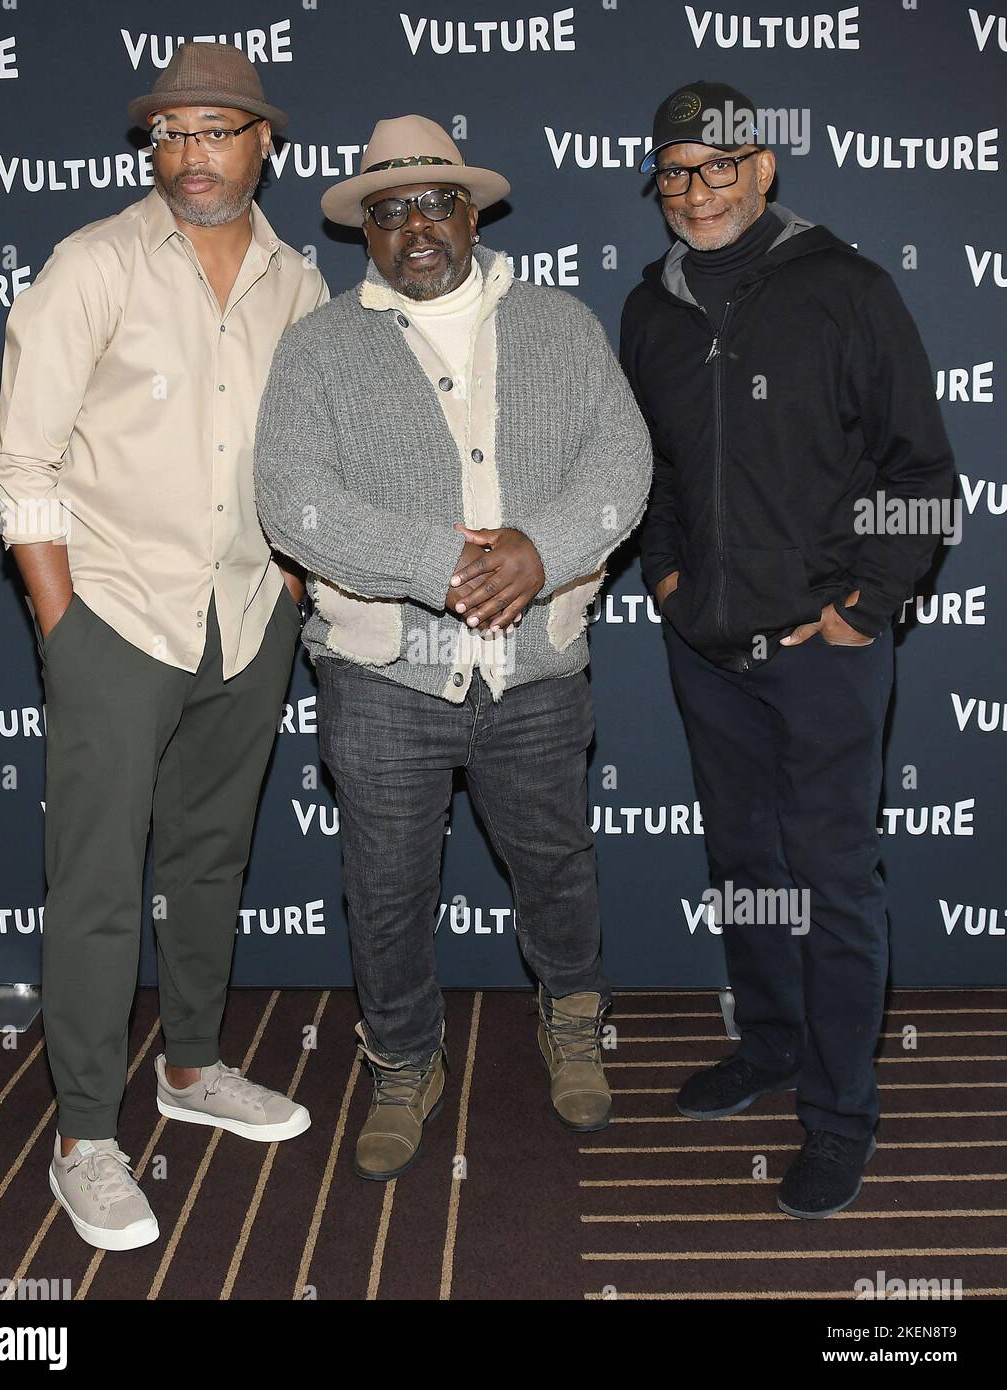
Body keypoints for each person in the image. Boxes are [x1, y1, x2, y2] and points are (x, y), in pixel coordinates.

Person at [254, 115, 652, 1181]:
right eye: (387, 211)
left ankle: (571, 1019)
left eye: (433, 203)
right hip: (382, 671)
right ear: (364, 235)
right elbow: (290, 501)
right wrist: (444, 563)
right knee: (381, 884)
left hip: (535, 664)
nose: (413, 226)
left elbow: (622, 457)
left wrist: (542, 550)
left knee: (556, 868)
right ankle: (400, 1060)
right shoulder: (319, 347)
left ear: (470, 213)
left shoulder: (560, 325)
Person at [0, 42, 328, 1250]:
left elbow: (301, 451)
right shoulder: (91, 262)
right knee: (93, 887)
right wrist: (60, 617)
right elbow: (22, 457)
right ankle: (85, 1132)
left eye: (217, 129)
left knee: (209, 864)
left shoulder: (300, 284)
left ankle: (191, 1069)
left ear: (264, 144)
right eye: (171, 131)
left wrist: (289, 577)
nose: (191, 154)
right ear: (153, 146)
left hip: (245, 619)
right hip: (116, 618)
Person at [620, 81, 954, 1217]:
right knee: (749, 874)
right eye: (675, 173)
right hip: (706, 650)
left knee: (832, 887)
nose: (696, 190)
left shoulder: (845, 289)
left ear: (762, 169)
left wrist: (863, 607)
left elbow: (922, 476)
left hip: (822, 652)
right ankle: (766, 1044)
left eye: (717, 167)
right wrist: (667, 578)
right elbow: (651, 474)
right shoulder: (649, 310)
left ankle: (839, 1109)